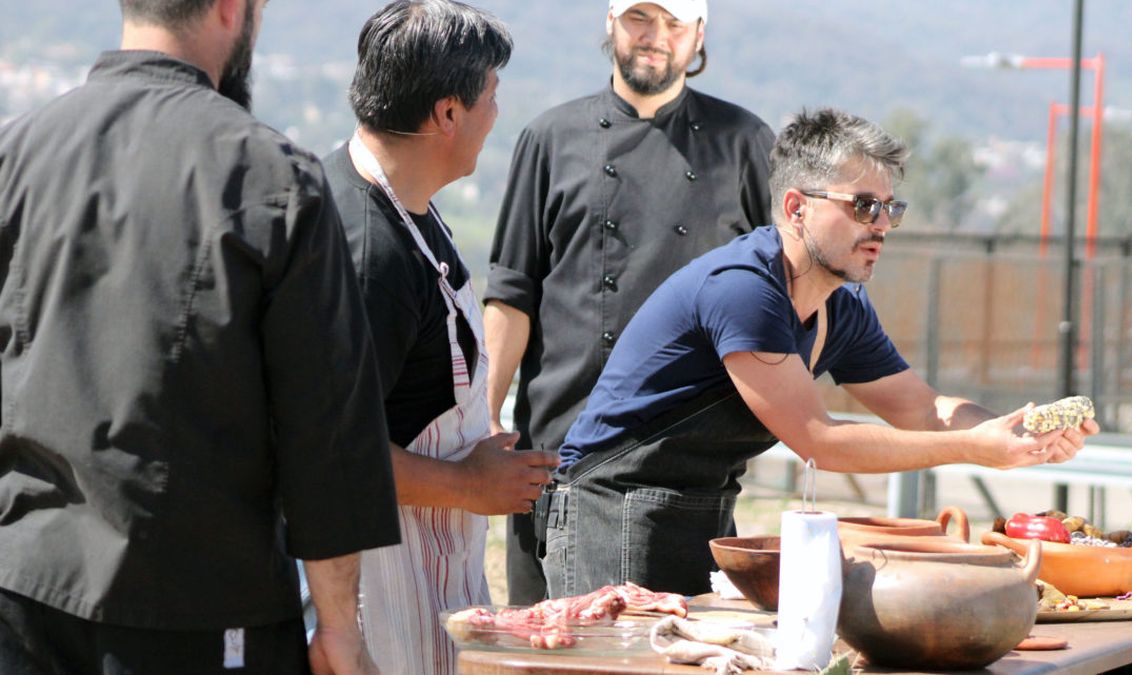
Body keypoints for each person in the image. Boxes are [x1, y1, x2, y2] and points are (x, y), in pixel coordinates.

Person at [541, 108, 1102, 598]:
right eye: (862, 206)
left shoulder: (843, 307)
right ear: (796, 207)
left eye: (889, 208)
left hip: (699, 515)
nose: (881, 225)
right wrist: (975, 449)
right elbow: (819, 440)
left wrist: (1014, 431)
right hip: (608, 511)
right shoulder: (743, 288)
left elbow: (922, 409)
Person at [0, 0, 401, 673]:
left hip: (19, 590)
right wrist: (339, 627)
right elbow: (325, 433)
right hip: (192, 611)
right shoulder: (274, 178)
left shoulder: (17, 148)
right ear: (230, 9)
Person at [484, 0, 775, 604]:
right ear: (610, 23)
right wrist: (486, 413)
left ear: (699, 35)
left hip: (688, 462)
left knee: (679, 645)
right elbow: (513, 291)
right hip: (559, 448)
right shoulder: (550, 136)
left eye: (674, 24)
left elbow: (775, 291)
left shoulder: (745, 142)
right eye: (641, 18)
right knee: (550, 648)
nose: (656, 37)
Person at [323, 2, 560, 672]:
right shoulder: (369, 250)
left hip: (425, 569)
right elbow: (335, 451)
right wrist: (467, 483)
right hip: (371, 591)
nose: (496, 115)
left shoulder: (397, 204)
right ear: (447, 114)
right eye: (491, 96)